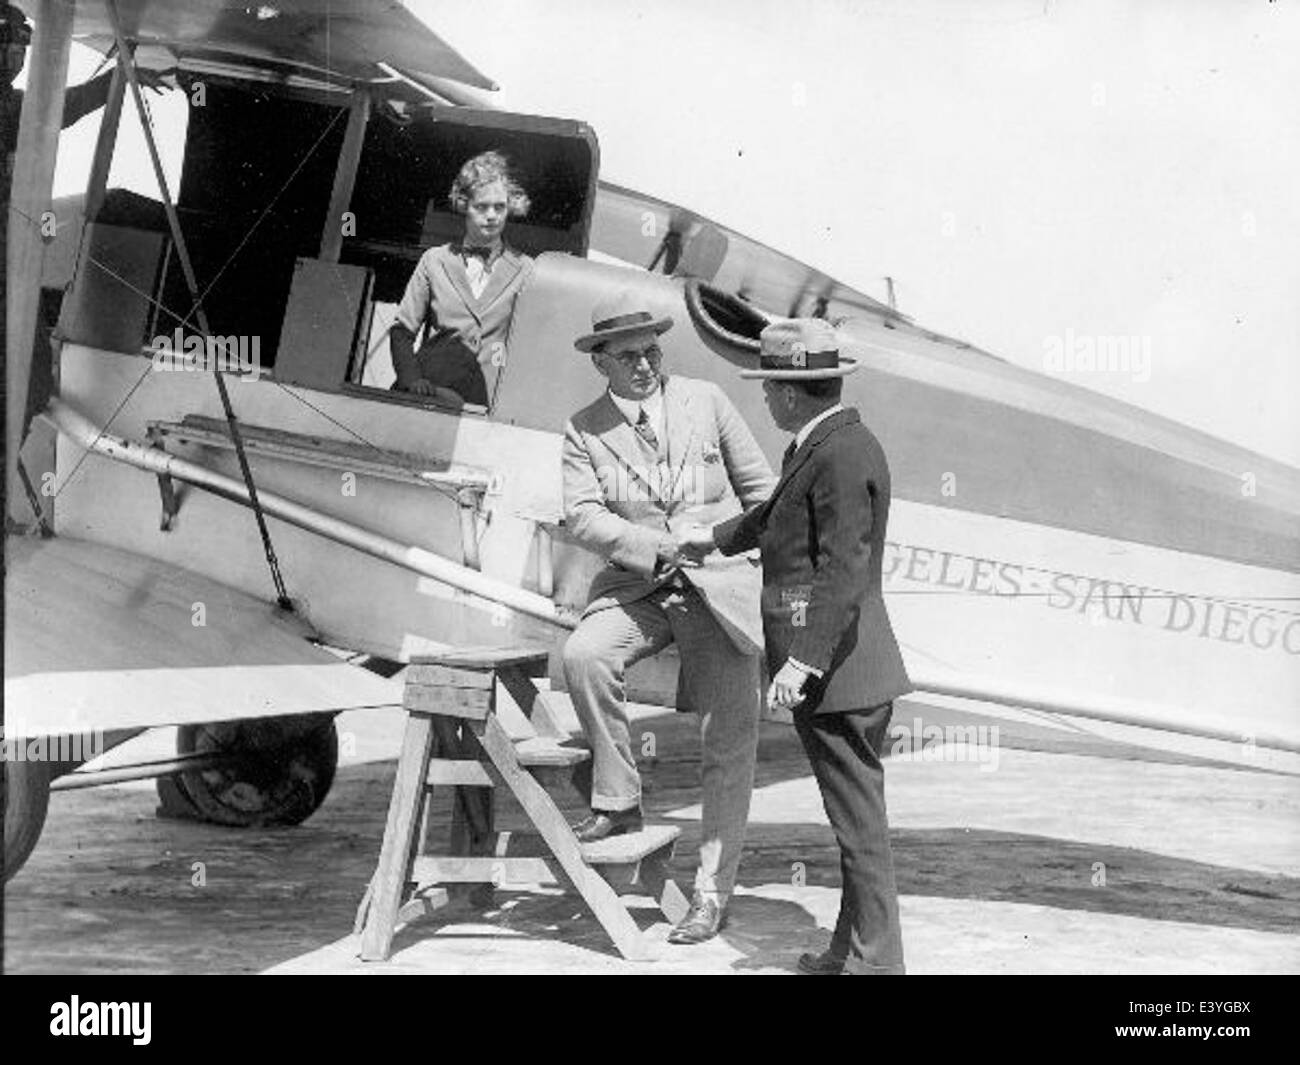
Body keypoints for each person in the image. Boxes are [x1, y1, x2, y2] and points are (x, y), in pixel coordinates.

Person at [680, 317, 912, 974]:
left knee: (860, 830)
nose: (764, 398)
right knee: (854, 824)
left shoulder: (841, 453)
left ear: (788, 391)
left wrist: (803, 661)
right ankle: (850, 952)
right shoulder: (827, 443)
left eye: (767, 387)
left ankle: (877, 966)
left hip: (840, 673)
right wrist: (713, 539)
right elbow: (776, 515)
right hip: (846, 669)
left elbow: (842, 570)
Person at [560, 290, 775, 944]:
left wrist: (736, 554)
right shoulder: (583, 429)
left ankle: (710, 894)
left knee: (728, 738)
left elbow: (763, 494)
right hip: (642, 585)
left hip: (721, 587)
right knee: (584, 655)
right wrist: (655, 545)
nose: (645, 365)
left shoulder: (707, 400)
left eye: (652, 350)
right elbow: (582, 516)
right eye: (628, 356)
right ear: (600, 361)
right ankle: (618, 800)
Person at [388, 149, 534, 407]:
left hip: (487, 402)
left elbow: (532, 346)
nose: (492, 215)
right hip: (428, 395)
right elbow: (402, 331)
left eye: (500, 207)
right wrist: (411, 380)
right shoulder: (434, 260)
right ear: (464, 205)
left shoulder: (526, 269)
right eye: (482, 206)